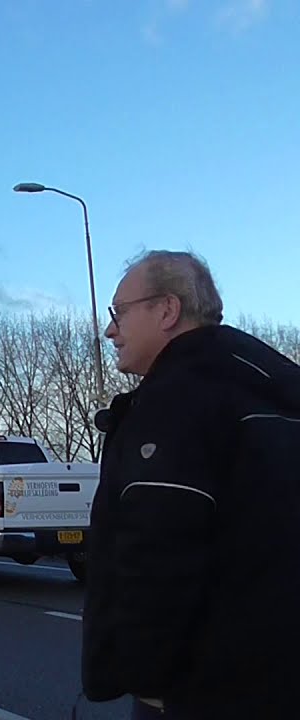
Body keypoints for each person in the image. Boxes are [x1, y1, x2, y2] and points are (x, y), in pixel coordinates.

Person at [81, 249, 300, 719]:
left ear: (167, 310)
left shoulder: (176, 403)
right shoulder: (273, 389)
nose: (110, 330)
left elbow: (157, 555)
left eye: (119, 312)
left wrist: (144, 680)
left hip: (204, 693)